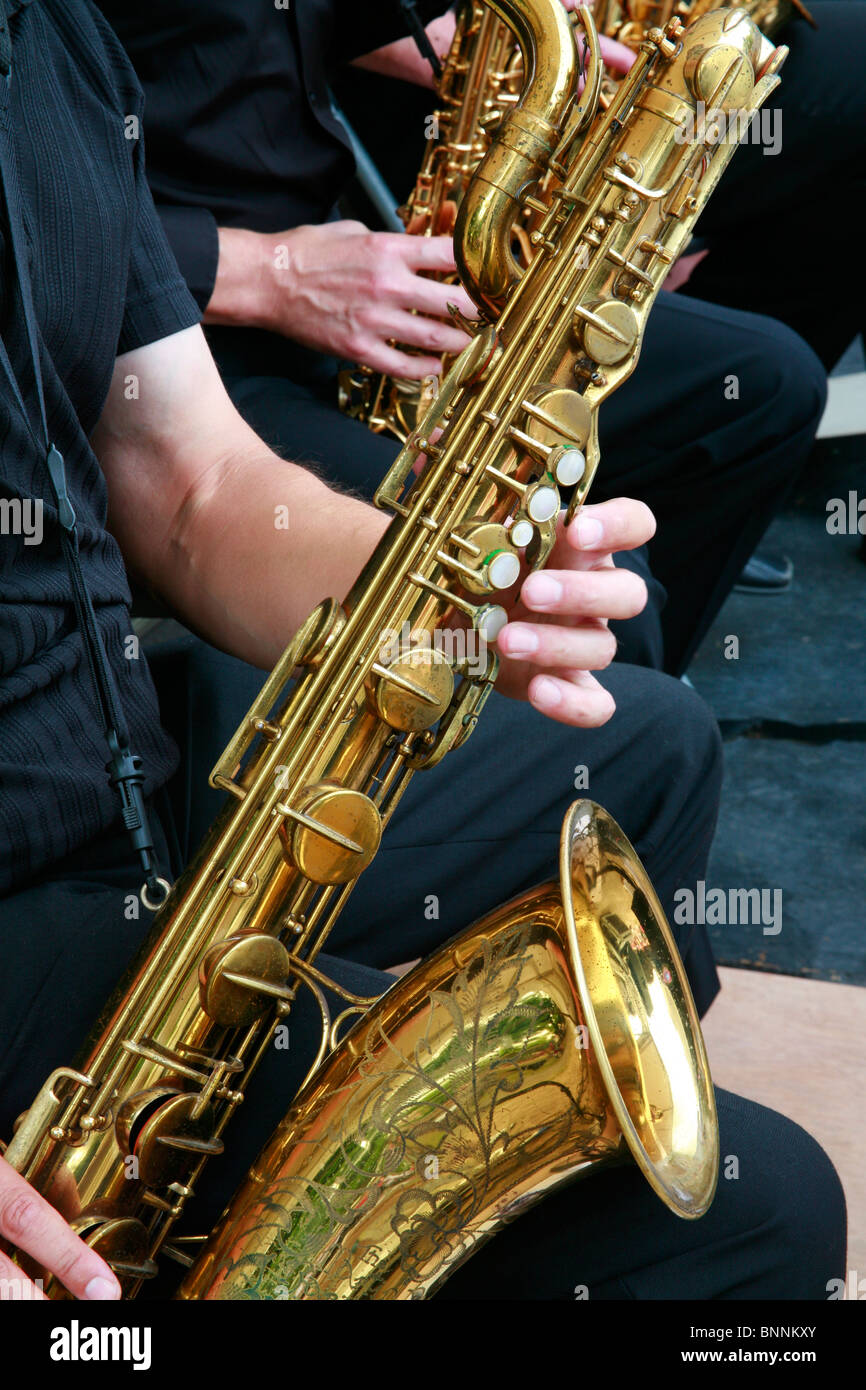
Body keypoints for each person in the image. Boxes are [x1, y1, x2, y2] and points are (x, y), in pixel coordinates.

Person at [0, 0, 844, 1301]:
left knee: (650, 741)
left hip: (113, 792)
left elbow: (187, 485)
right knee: (750, 1231)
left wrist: (442, 595)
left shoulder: (51, 41)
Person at [95, 0, 828, 673]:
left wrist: (495, 55)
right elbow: (32, 220)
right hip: (153, 350)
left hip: (335, 275)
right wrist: (265, 275)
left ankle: (601, 721)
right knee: (587, 609)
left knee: (769, 389)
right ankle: (576, 738)